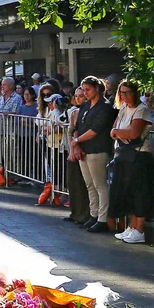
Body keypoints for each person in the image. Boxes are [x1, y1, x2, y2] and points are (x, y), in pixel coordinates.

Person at [107, 80, 154, 244]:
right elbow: (114, 129)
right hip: (123, 154)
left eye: (127, 92)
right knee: (127, 192)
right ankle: (131, 227)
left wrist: (117, 132)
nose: (124, 95)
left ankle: (139, 229)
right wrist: (118, 133)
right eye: (122, 92)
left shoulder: (141, 110)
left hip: (139, 156)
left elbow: (134, 133)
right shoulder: (122, 108)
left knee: (139, 193)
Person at [70, 75, 117, 233]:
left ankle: (103, 219)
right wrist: (77, 145)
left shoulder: (105, 106)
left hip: (98, 149)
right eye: (83, 90)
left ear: (97, 88)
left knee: (100, 185)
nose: (85, 93)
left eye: (88, 89)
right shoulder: (86, 105)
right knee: (90, 185)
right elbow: (78, 126)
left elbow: (95, 129)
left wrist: (77, 140)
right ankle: (93, 214)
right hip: (84, 149)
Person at [63, 87, 92, 225]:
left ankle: (84, 214)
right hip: (74, 150)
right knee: (73, 183)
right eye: (76, 96)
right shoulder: (74, 112)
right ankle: (75, 212)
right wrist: (72, 150)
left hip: (85, 151)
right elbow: (70, 132)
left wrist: (77, 147)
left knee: (84, 185)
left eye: (82, 95)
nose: (79, 98)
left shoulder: (88, 111)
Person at [0, 77, 22, 187]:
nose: (2, 86)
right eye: (2, 84)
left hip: (11, 129)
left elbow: (15, 112)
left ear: (11, 86)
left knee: (12, 153)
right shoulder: (0, 97)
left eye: (4, 85)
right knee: (3, 153)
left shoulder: (17, 98)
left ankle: (13, 175)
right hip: (1, 129)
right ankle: (6, 174)